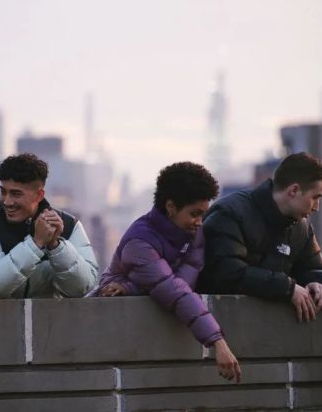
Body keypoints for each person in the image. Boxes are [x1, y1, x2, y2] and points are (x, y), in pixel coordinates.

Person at [89, 162, 241, 383]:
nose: (200, 222)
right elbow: (174, 289)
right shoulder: (139, 243)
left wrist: (132, 287)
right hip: (112, 325)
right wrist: (217, 342)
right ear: (171, 207)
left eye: (203, 214)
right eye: (195, 213)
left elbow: (178, 283)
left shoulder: (192, 231)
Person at [197, 152, 322, 322]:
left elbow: (315, 269)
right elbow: (228, 273)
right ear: (294, 190)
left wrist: (318, 283)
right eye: (315, 197)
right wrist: (287, 288)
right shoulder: (230, 213)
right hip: (217, 325)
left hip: (269, 330)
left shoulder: (302, 228)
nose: (317, 207)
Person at [0, 153, 98, 299]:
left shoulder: (70, 226)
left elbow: (82, 287)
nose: (7, 201)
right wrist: (35, 244)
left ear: (39, 195)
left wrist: (56, 246)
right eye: (3, 192)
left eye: (16, 194)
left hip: (44, 315)